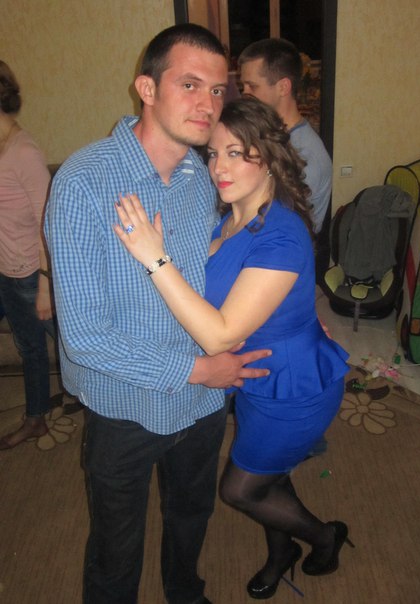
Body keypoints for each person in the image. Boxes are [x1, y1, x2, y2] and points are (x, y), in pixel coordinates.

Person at [45, 24, 271, 604]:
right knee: (116, 550)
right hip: (126, 407)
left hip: (203, 406)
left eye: (217, 90)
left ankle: (184, 594)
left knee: (191, 517)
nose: (208, 104)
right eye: (189, 84)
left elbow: (231, 269)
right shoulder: (84, 183)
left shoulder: (205, 176)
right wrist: (200, 370)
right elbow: (85, 338)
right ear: (146, 88)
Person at [114, 96, 352, 600]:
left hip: (293, 387)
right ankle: (281, 552)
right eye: (214, 153)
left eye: (237, 153)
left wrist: (155, 258)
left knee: (240, 488)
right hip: (253, 379)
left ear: (268, 156)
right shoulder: (228, 217)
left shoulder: (281, 234)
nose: (219, 167)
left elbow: (219, 334)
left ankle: (324, 537)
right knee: (268, 472)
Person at [237, 38, 333, 283]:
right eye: (242, 86)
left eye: (252, 86)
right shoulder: (270, 136)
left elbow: (278, 228)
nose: (244, 94)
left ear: (283, 87)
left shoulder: (305, 154)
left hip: (280, 269)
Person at [0, 60, 55, 450]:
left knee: (71, 350)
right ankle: (37, 418)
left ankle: (110, 415)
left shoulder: (23, 152)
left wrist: (45, 287)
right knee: (29, 348)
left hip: (31, 275)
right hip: (6, 271)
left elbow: (48, 221)